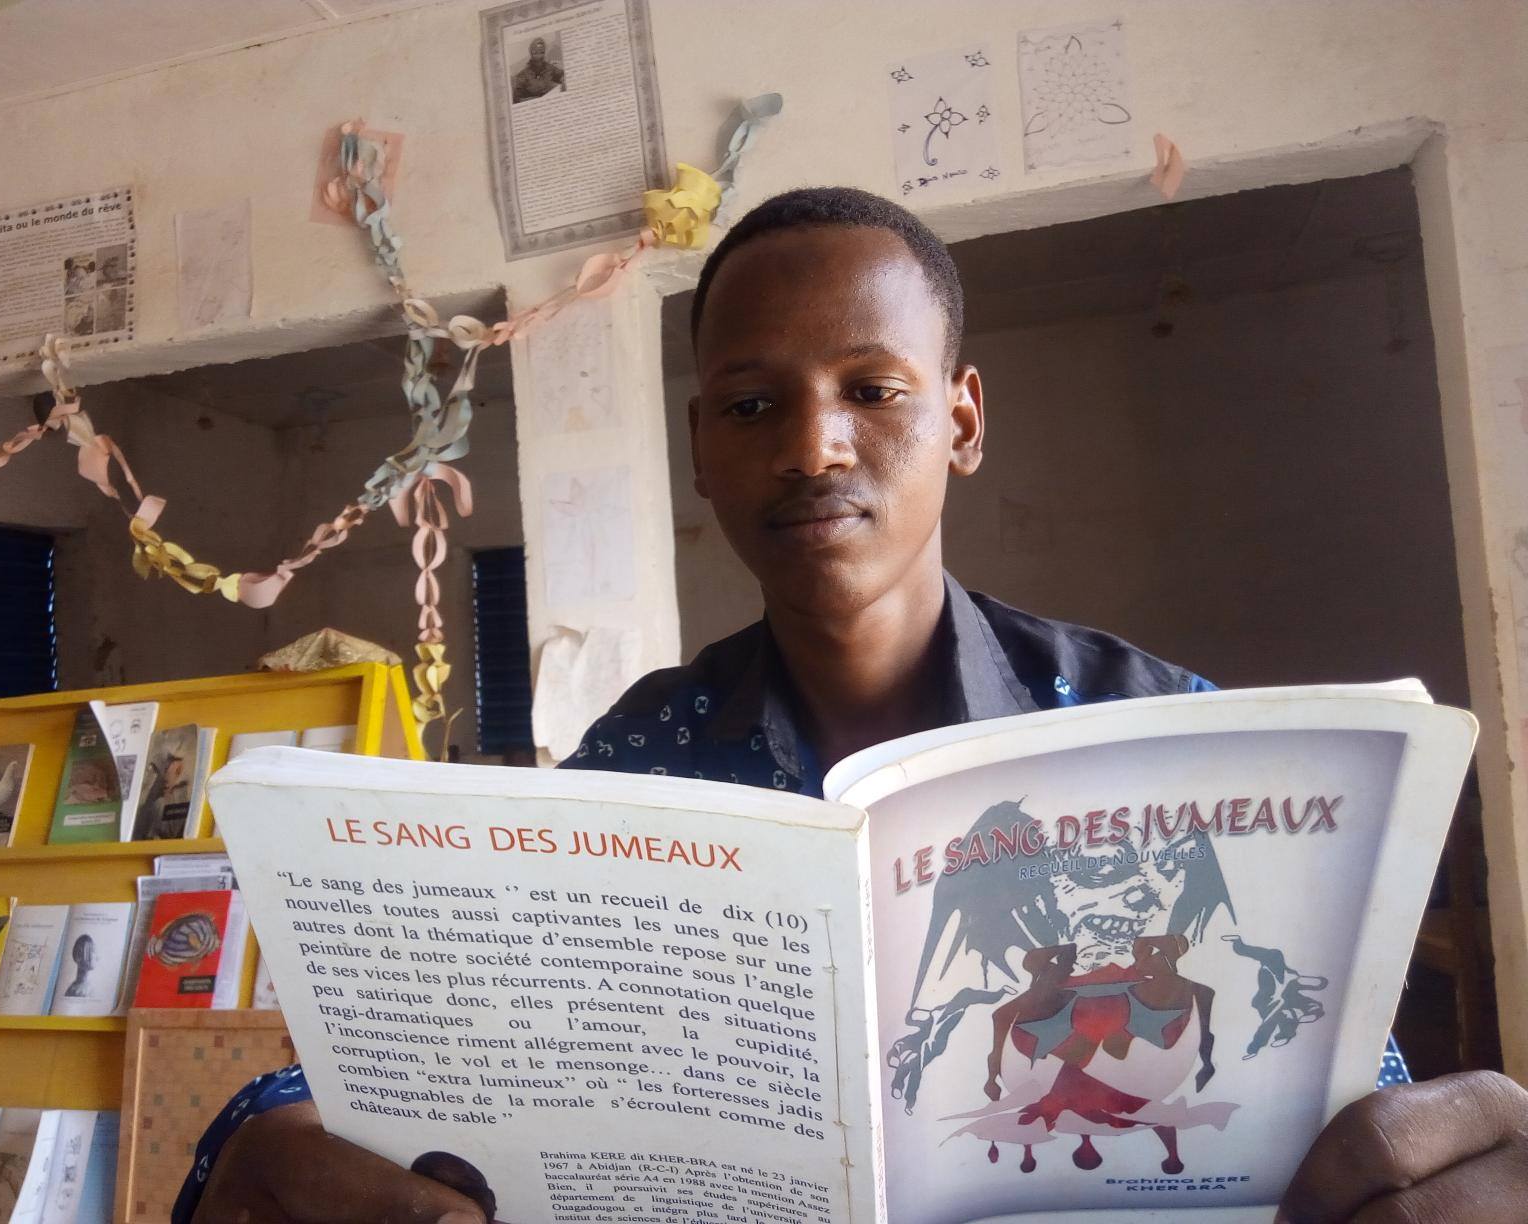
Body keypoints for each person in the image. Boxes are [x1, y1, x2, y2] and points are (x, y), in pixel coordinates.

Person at [176, 188, 1528, 1224]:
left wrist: (1420, 1163)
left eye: (871, 392)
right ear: (705, 446)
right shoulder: (635, 766)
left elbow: (1351, 1104)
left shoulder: (1162, 739)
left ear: (962, 417)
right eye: (754, 403)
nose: (813, 445)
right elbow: (432, 1065)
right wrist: (257, 1135)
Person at [511, 36, 565, 103]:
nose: (539, 56)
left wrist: (563, 80)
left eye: (542, 52)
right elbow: (517, 100)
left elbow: (562, 75)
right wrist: (538, 100)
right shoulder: (522, 75)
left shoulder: (549, 67)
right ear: (531, 53)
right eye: (536, 53)